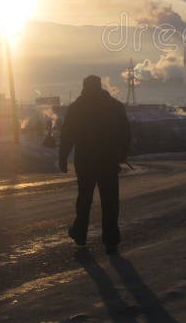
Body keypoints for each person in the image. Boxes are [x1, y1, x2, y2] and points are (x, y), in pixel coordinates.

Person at [59, 75, 131, 254]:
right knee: (110, 202)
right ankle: (111, 241)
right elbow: (125, 133)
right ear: (100, 87)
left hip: (85, 160)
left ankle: (80, 234)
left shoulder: (76, 108)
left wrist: (62, 158)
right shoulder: (114, 106)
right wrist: (122, 154)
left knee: (84, 199)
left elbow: (66, 135)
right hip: (108, 160)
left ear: (84, 87)